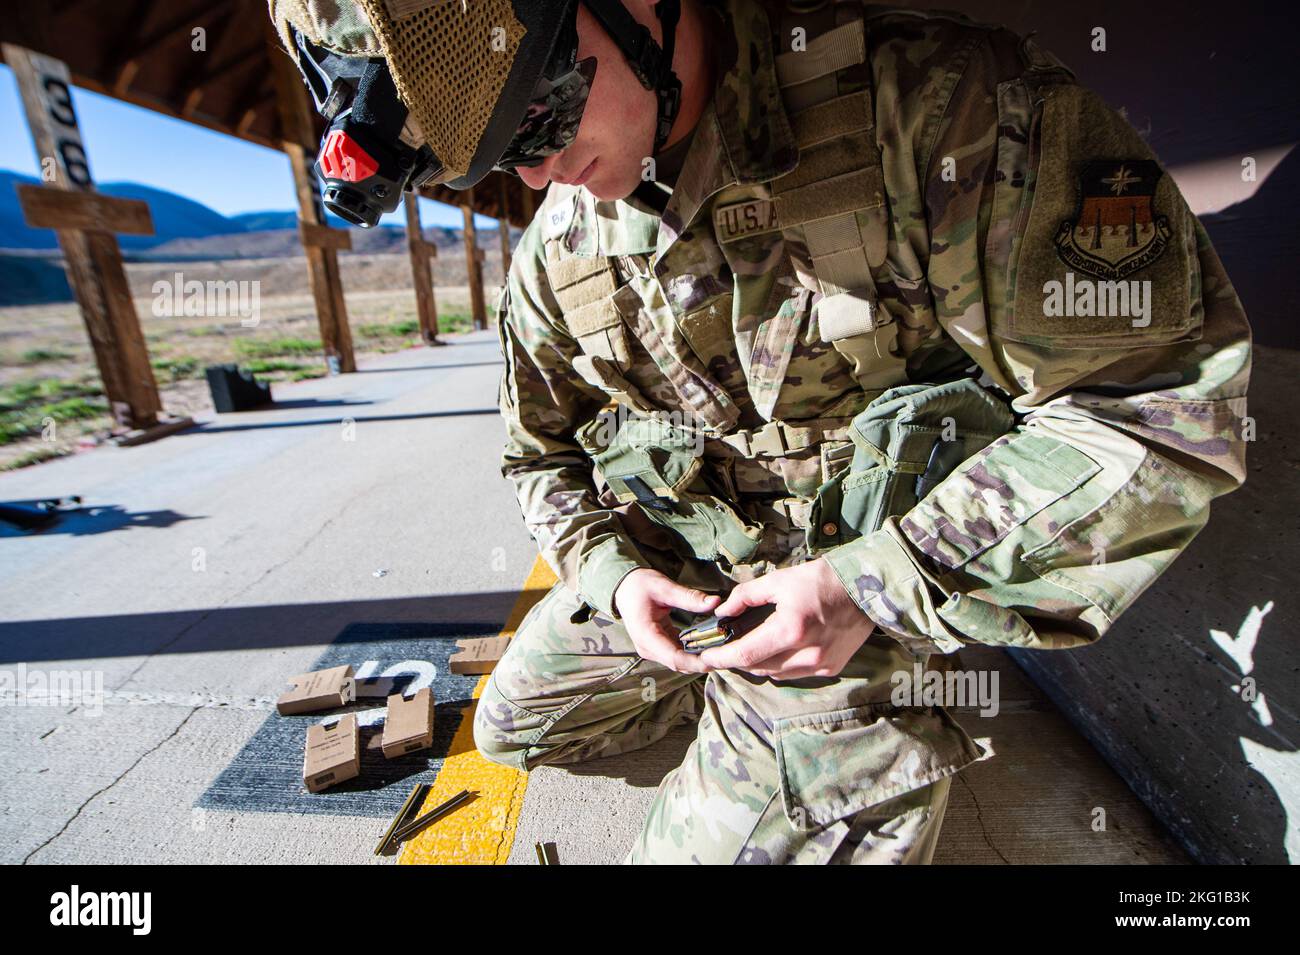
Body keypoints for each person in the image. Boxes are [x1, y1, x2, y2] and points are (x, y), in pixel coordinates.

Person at [270, 0, 1251, 864]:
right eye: (497, 160)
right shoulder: (560, 246)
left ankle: (842, 717)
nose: (539, 172)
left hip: (864, 577)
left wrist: (868, 585)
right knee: (512, 729)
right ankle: (730, 695)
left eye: (538, 112)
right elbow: (538, 450)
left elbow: (1160, 404)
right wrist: (616, 581)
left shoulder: (938, 103)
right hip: (695, 573)